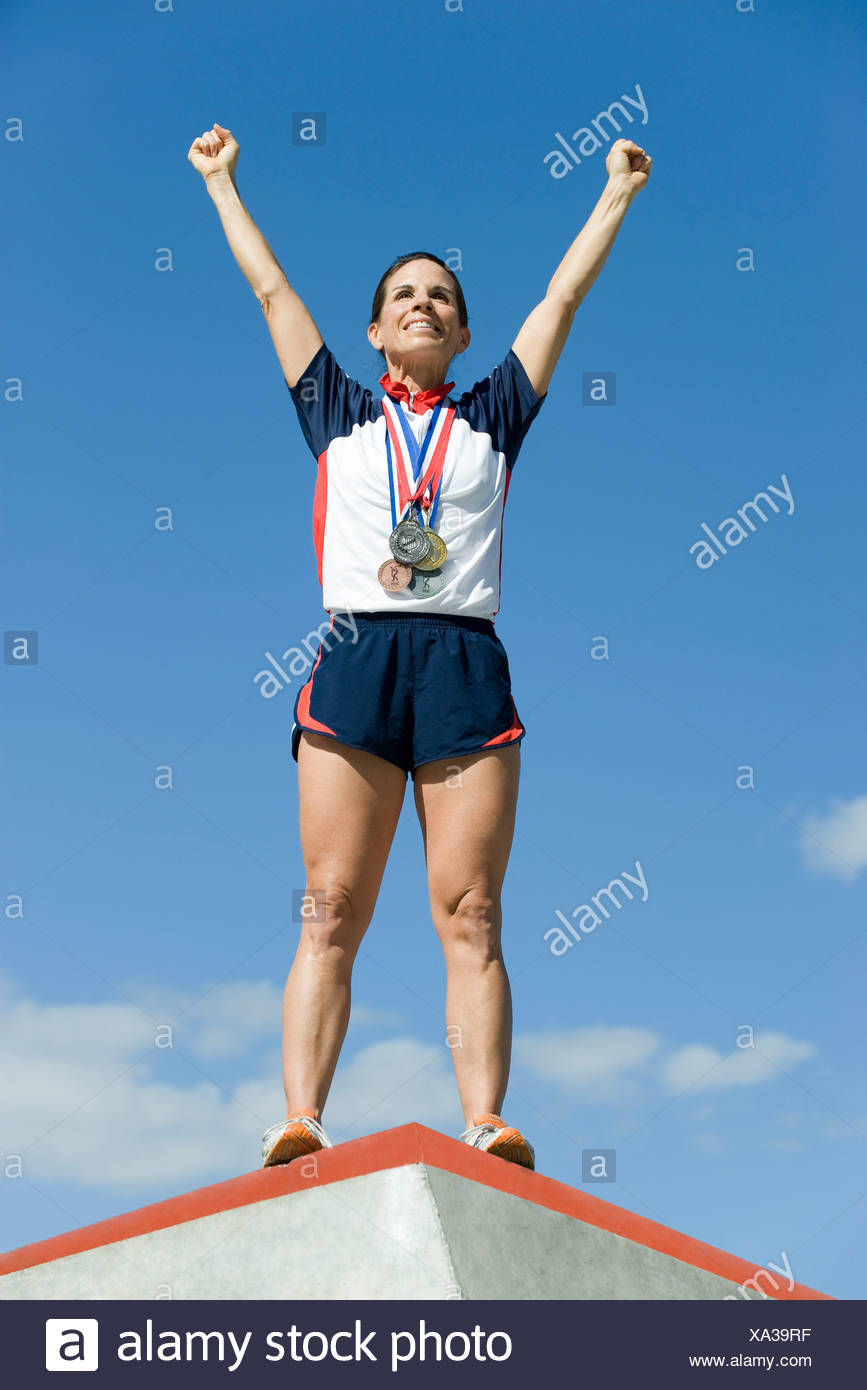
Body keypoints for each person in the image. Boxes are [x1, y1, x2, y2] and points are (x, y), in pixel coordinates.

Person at [187, 122, 651, 1172]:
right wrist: (222, 183)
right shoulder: (337, 412)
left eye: (442, 294)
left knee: (474, 909)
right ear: (375, 329)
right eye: (405, 294)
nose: (424, 303)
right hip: (356, 660)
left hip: (464, 665)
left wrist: (615, 192)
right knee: (333, 905)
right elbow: (271, 294)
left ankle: (486, 1124)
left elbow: (560, 302)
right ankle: (300, 1118)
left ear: (460, 328)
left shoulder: (493, 416)